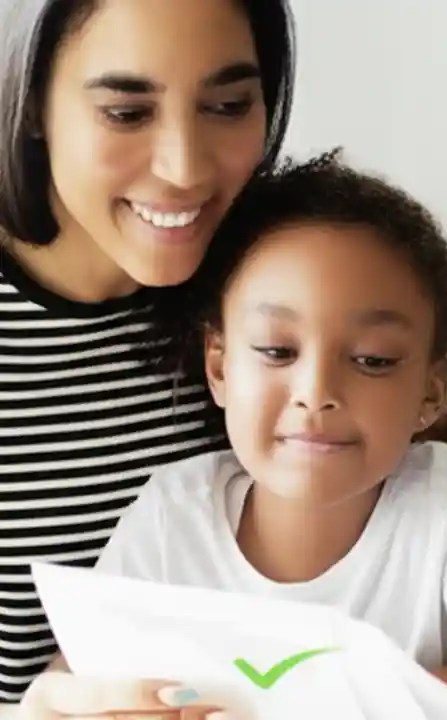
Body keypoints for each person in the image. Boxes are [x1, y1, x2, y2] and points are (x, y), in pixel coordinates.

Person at [48, 154, 447, 720]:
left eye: (372, 360)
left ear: (431, 392)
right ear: (220, 366)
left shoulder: (446, 502)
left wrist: (304, 702)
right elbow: (75, 690)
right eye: (278, 352)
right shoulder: (173, 514)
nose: (317, 391)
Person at [0, 0, 294, 708]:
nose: (185, 168)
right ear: (33, 101)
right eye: (127, 113)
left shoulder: (268, 296)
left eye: (228, 104)